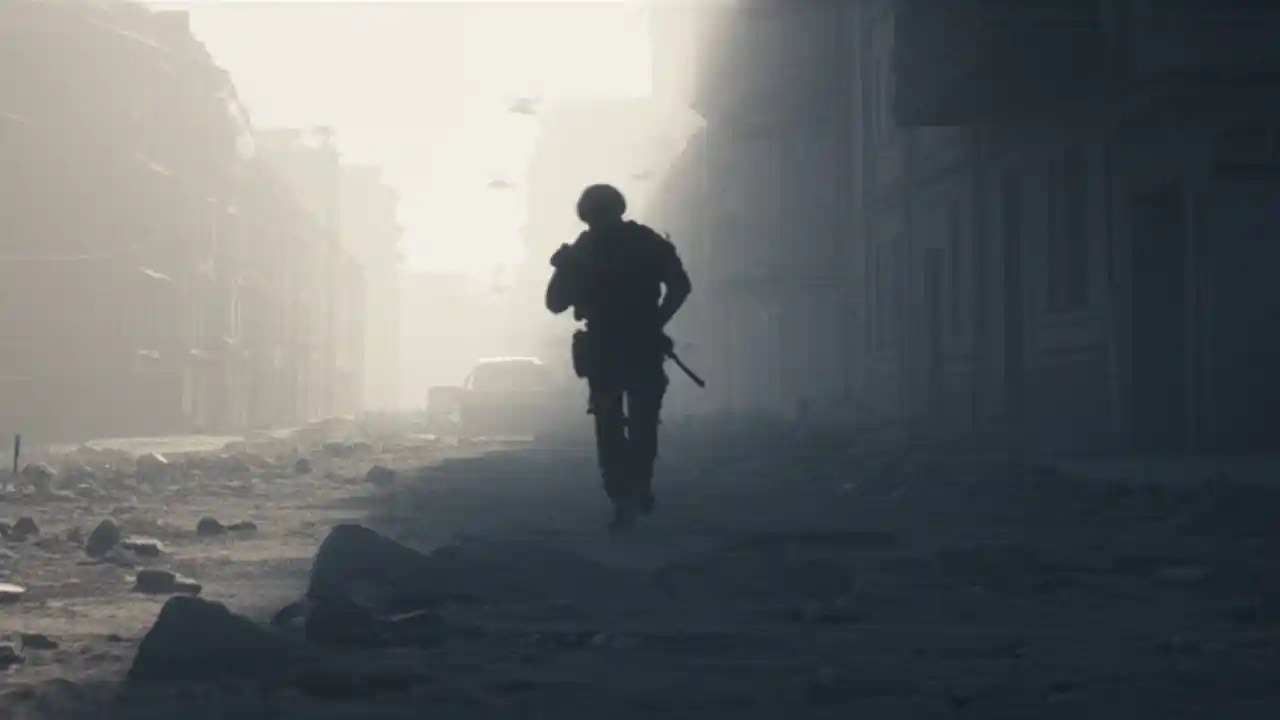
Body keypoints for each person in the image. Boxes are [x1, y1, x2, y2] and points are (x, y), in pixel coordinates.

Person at [545, 184, 692, 530]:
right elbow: (680, 286)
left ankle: (624, 496)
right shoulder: (647, 241)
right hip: (638, 344)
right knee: (641, 422)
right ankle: (637, 487)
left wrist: (565, 266)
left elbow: (554, 303)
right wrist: (655, 322)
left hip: (605, 347)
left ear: (586, 214)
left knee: (609, 423)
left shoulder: (585, 249)